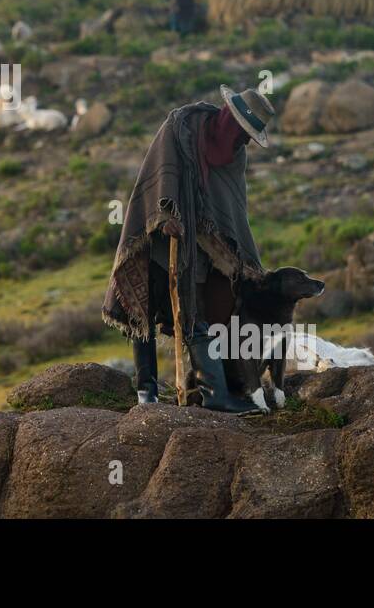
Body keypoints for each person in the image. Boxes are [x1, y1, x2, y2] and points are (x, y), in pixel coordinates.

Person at [102, 85, 277, 412]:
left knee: (197, 311)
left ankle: (214, 395)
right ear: (229, 120)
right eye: (242, 133)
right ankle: (146, 393)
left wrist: (239, 259)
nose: (243, 142)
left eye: (248, 138)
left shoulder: (235, 154)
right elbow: (158, 172)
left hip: (199, 248)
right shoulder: (180, 127)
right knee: (146, 308)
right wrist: (166, 215)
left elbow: (231, 210)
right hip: (159, 238)